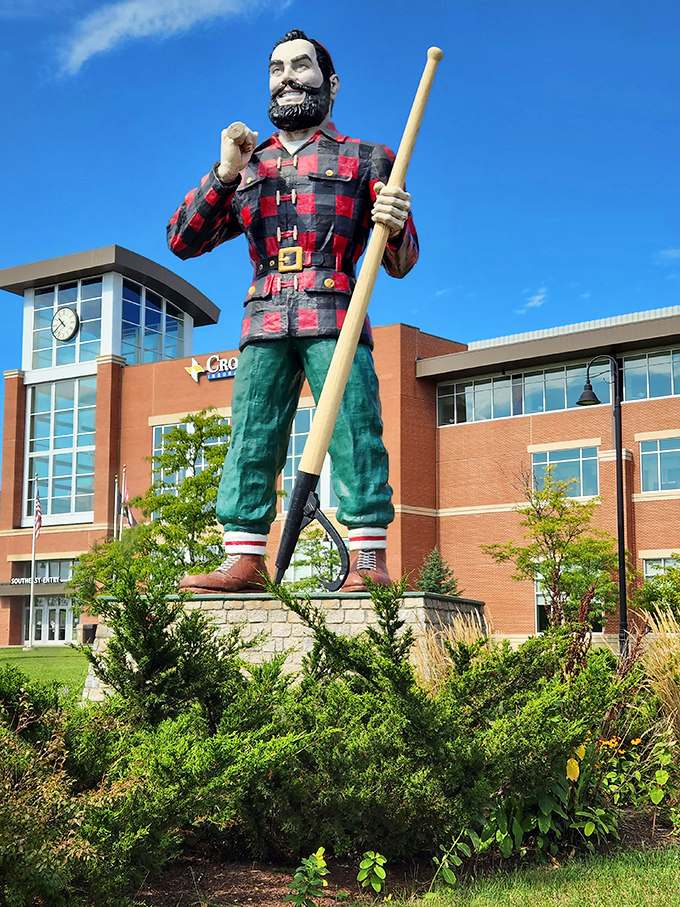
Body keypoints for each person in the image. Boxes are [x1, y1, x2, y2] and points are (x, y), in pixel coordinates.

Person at [167, 29, 418, 593]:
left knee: (356, 428)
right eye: (277, 69)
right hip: (264, 317)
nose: (286, 77)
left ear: (330, 84)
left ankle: (368, 558)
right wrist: (224, 172)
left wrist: (398, 220)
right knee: (252, 434)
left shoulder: (368, 157)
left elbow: (401, 261)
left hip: (336, 314)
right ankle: (245, 559)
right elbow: (183, 240)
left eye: (300, 67)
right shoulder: (250, 165)